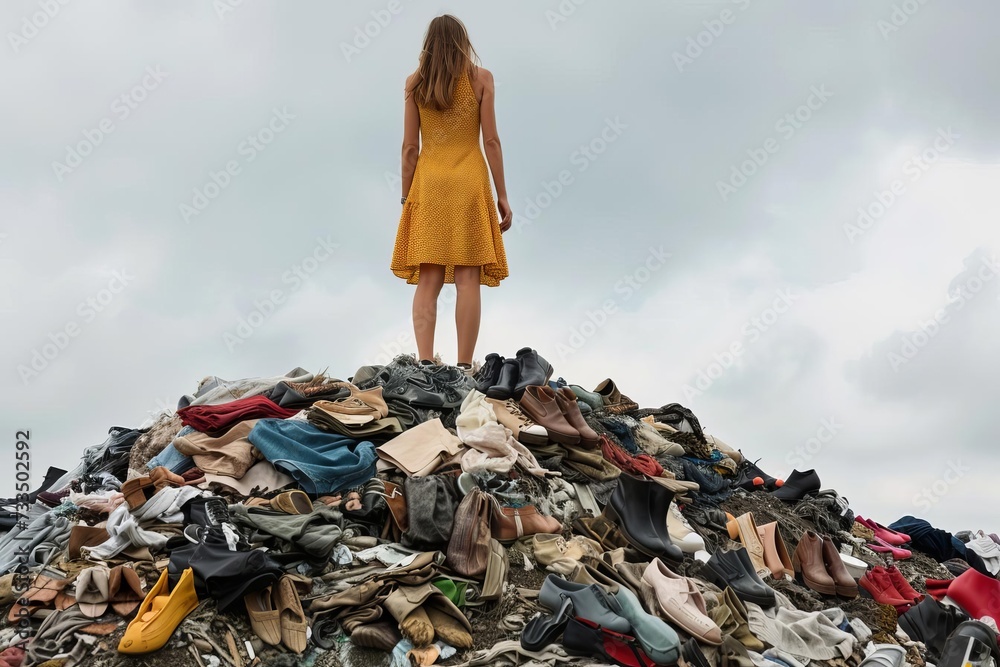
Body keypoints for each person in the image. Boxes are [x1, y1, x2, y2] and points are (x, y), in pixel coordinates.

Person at [390, 14, 511, 373]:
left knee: (428, 278)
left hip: (429, 185)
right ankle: (463, 366)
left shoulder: (415, 83)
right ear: (463, 41)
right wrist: (502, 194)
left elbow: (410, 148)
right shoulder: (481, 79)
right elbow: (491, 140)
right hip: (470, 182)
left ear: (429, 43)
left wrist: (405, 197)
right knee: (467, 278)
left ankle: (425, 361)